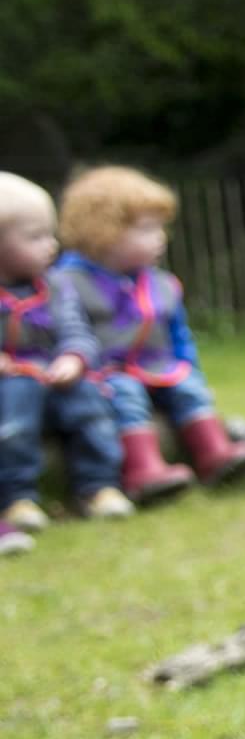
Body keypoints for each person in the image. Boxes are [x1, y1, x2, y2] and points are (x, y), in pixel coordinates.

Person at [54, 166, 245, 500]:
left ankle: (214, 454)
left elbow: (179, 336)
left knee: (188, 389)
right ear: (102, 232)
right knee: (127, 396)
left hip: (158, 366)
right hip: (108, 373)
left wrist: (192, 371)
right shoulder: (67, 283)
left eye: (161, 227)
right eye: (147, 228)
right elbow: (68, 333)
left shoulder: (160, 284)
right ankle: (143, 470)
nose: (161, 237)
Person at [0, 173, 130, 538]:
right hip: (13, 382)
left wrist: (73, 357)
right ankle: (17, 498)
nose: (51, 245)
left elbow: (77, 330)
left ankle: (98, 486)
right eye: (35, 237)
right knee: (14, 424)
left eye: (50, 234)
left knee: (90, 407)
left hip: (58, 375)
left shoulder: (55, 287)